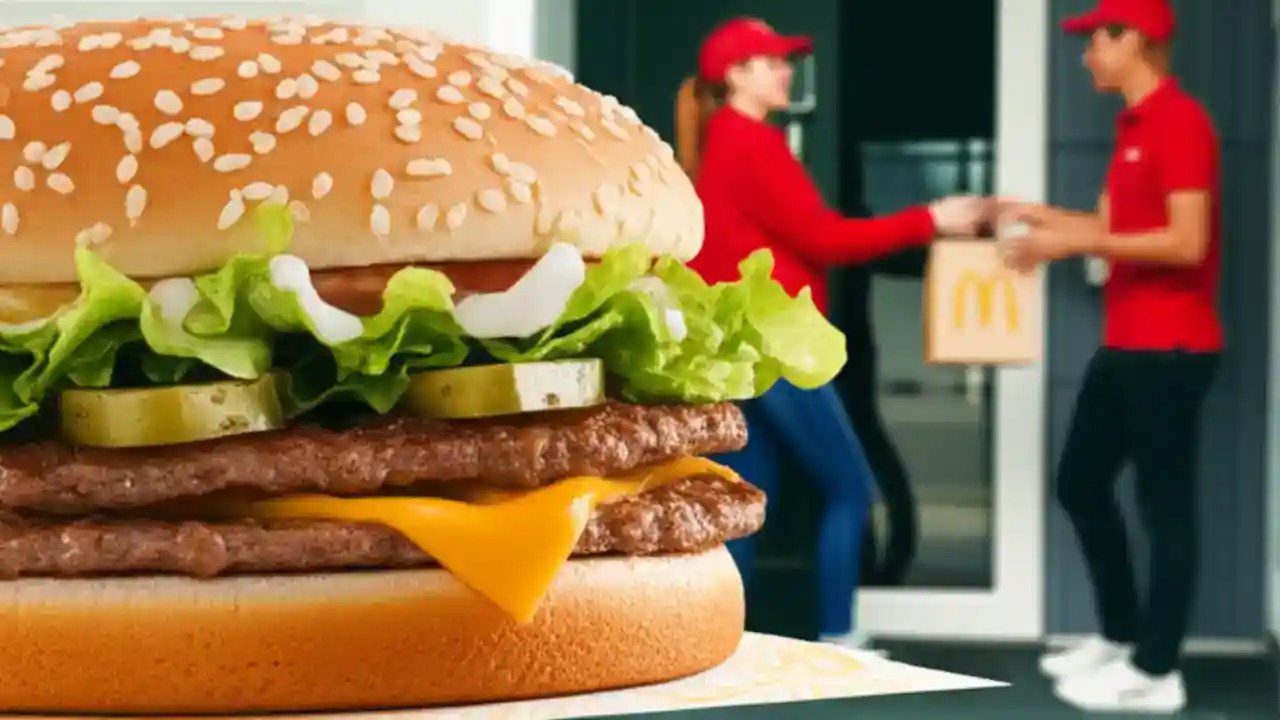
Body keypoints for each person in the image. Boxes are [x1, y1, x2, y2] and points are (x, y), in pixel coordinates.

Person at [675, 17, 986, 649]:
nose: (788, 70)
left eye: (786, 61)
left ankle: (716, 642)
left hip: (746, 348)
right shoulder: (752, 143)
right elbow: (827, 238)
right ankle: (839, 635)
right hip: (781, 347)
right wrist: (932, 217)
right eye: (773, 61)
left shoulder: (727, 143)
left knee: (748, 502)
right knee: (849, 488)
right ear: (736, 76)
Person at [1000, 0, 1219, 713]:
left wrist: (1076, 243)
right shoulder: (1134, 127)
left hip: (1171, 348)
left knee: (1164, 511)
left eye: (1095, 40)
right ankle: (1121, 637)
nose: (1086, 54)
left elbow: (1186, 243)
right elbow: (1113, 226)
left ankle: (1159, 673)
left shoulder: (1180, 123)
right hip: (1128, 342)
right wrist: (1037, 218)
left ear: (1135, 40)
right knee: (1081, 485)